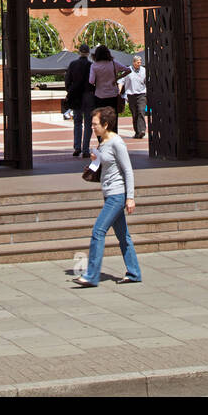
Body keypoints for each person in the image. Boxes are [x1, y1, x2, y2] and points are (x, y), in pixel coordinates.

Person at [73, 107, 142, 287]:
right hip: (109, 193)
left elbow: (128, 170)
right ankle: (134, 273)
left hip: (117, 195)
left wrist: (130, 197)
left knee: (98, 231)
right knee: (123, 236)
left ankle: (91, 275)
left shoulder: (117, 143)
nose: (93, 127)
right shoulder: (103, 142)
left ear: (105, 124)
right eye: (92, 124)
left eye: (96, 124)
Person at [64, 43, 95, 158]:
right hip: (89, 95)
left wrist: (70, 91)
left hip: (76, 96)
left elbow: (67, 80)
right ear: (88, 53)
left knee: (77, 122)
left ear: (79, 52)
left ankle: (77, 147)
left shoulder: (73, 64)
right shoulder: (91, 65)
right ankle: (85, 149)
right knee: (88, 123)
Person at [88, 44, 130, 118]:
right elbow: (128, 70)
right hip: (113, 94)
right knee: (113, 118)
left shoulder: (94, 66)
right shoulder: (114, 63)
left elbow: (91, 81)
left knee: (101, 118)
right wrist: (117, 78)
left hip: (99, 95)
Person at [120, 54, 148, 138]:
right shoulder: (127, 70)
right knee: (135, 114)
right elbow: (121, 81)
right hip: (131, 95)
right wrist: (119, 90)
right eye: (138, 62)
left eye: (140, 62)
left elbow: (147, 81)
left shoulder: (144, 70)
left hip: (142, 94)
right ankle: (137, 132)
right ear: (134, 62)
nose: (139, 64)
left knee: (141, 111)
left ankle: (142, 130)